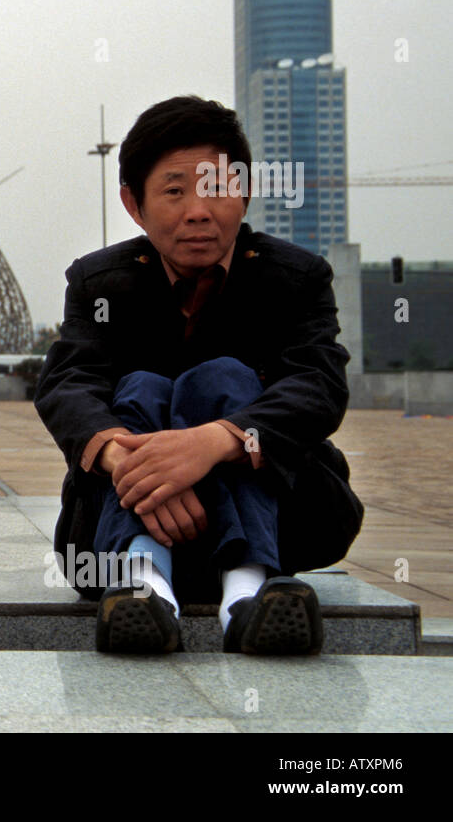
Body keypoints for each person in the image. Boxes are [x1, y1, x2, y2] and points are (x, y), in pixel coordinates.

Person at [35, 95, 363, 656]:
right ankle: (147, 586)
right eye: (174, 191)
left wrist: (213, 443)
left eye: (215, 187)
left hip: (288, 516)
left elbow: (318, 384)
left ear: (245, 192)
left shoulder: (296, 279)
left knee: (226, 381)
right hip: (116, 522)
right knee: (139, 389)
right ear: (133, 204)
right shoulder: (99, 283)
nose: (198, 210)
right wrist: (136, 466)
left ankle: (245, 592)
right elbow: (69, 384)